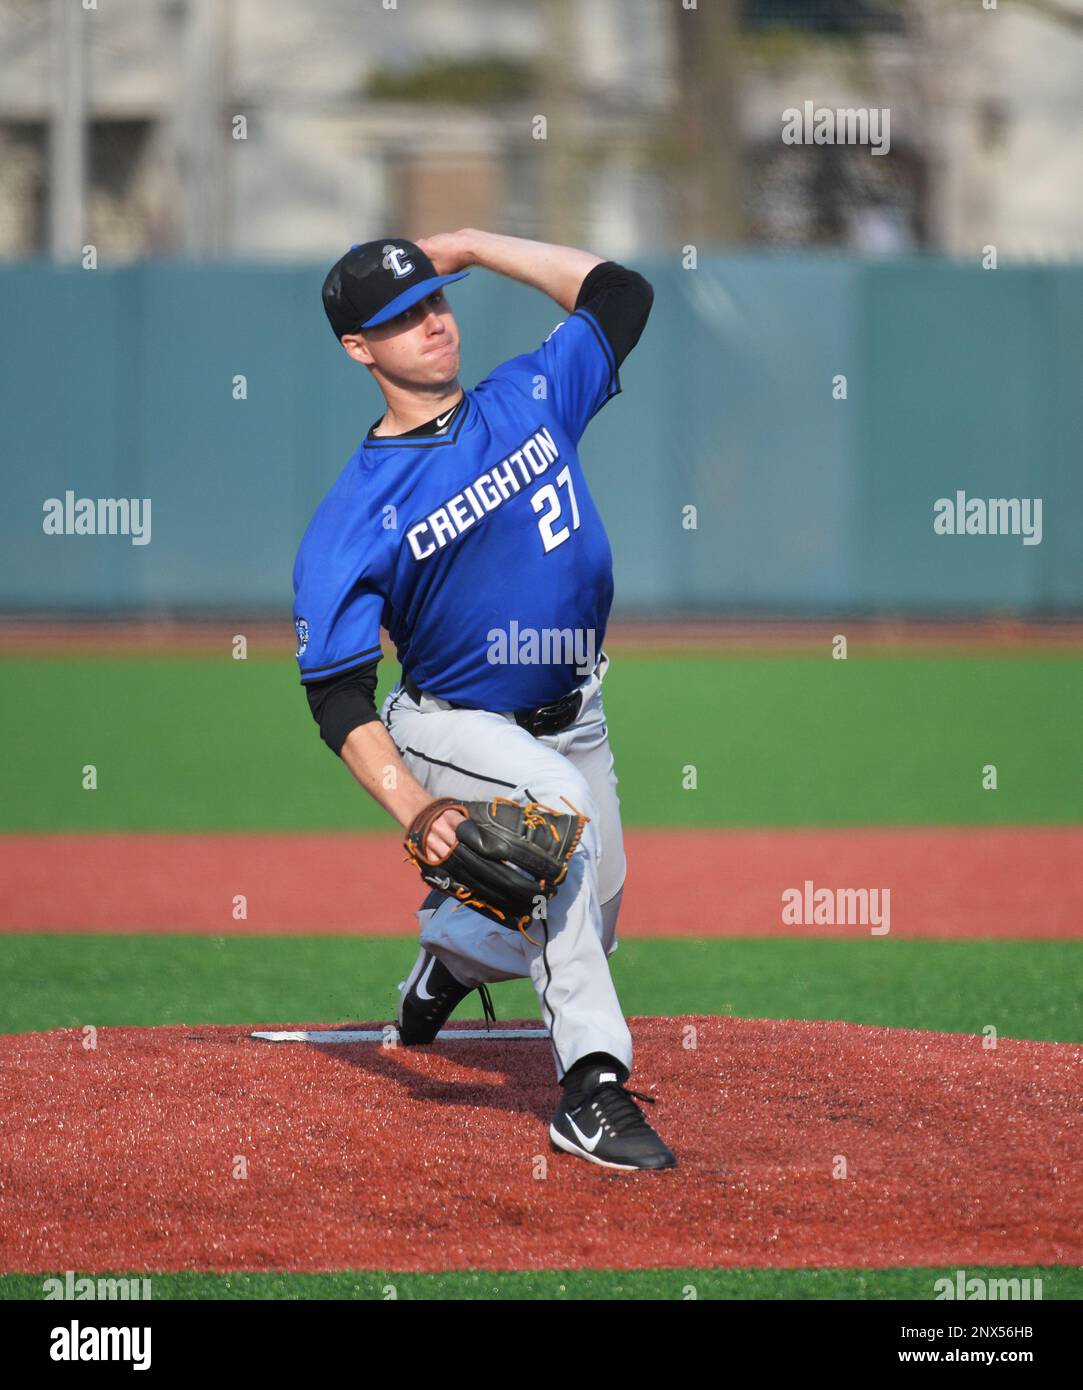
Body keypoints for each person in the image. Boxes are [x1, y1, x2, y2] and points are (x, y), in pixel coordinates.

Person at [293, 230, 675, 1171]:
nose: (428, 322)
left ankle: (451, 955)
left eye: (433, 300)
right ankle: (590, 1088)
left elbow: (620, 294)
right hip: (457, 723)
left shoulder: (529, 393)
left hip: (574, 708)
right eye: (397, 318)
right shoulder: (353, 515)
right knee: (562, 817)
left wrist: (469, 242)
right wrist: (415, 805)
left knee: (595, 899)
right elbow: (339, 694)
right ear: (357, 349)